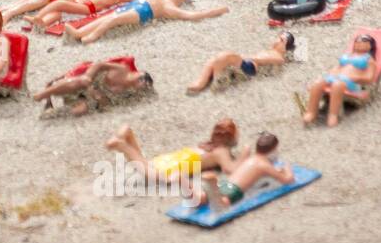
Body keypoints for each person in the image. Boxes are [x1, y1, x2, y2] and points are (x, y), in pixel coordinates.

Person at [64, 0, 228, 45]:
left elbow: (192, 16)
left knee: (114, 20)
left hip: (142, 12)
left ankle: (92, 36)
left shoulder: (168, 6)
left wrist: (217, 10)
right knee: (107, 17)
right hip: (136, 6)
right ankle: (80, 32)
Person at [105, 120, 240, 184]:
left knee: (144, 163)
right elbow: (229, 169)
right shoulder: (221, 151)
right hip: (168, 171)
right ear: (230, 137)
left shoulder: (206, 145)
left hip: (163, 160)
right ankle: (122, 146)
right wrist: (244, 158)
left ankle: (126, 131)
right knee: (152, 173)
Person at [191, 133, 294, 209]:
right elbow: (288, 180)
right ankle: (212, 183)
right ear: (273, 150)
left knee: (203, 198)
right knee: (222, 205)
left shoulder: (251, 158)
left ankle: (190, 188)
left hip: (225, 182)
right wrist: (287, 168)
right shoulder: (264, 165)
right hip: (234, 190)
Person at [303, 33, 379, 127]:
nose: (359, 43)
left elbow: (369, 78)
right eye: (357, 41)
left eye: (364, 41)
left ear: (370, 45)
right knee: (318, 84)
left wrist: (356, 78)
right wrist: (328, 75)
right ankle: (311, 112)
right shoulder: (347, 56)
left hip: (351, 82)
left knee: (337, 85)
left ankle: (333, 115)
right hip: (336, 77)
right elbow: (336, 68)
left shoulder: (369, 60)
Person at [33, 56, 152, 114]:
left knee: (82, 110)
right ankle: (42, 94)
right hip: (89, 81)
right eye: (142, 80)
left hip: (94, 95)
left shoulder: (129, 93)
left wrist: (99, 98)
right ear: (139, 75)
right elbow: (100, 64)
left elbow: (108, 105)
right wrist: (88, 76)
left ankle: (53, 113)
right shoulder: (122, 70)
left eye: (144, 85)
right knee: (80, 82)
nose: (142, 84)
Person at [187, 31, 296, 93]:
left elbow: (260, 60)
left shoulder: (278, 57)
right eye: (278, 37)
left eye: (280, 39)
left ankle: (218, 82)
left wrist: (242, 57)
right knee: (215, 58)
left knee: (227, 55)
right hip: (247, 64)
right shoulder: (271, 51)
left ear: (284, 44)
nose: (276, 40)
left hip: (250, 68)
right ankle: (201, 82)